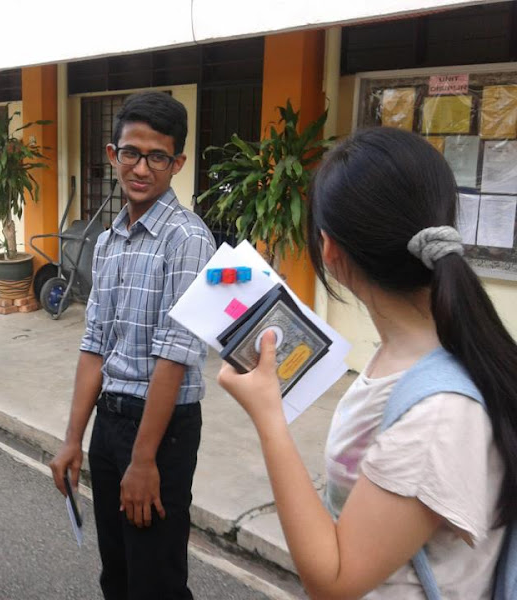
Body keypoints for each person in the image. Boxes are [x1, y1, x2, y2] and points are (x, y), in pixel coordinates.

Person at [218, 127, 517, 599]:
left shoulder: (439, 416)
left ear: (330, 250)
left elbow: (334, 581)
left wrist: (268, 417)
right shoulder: (412, 355)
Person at [50, 91, 216, 599]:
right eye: (131, 153)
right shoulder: (107, 240)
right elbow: (95, 342)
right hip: (110, 421)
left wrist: (144, 461)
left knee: (155, 580)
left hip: (161, 433)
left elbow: (173, 354)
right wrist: (74, 437)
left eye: (157, 156)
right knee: (117, 572)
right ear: (112, 154)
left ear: (177, 163)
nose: (141, 168)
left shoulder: (187, 239)